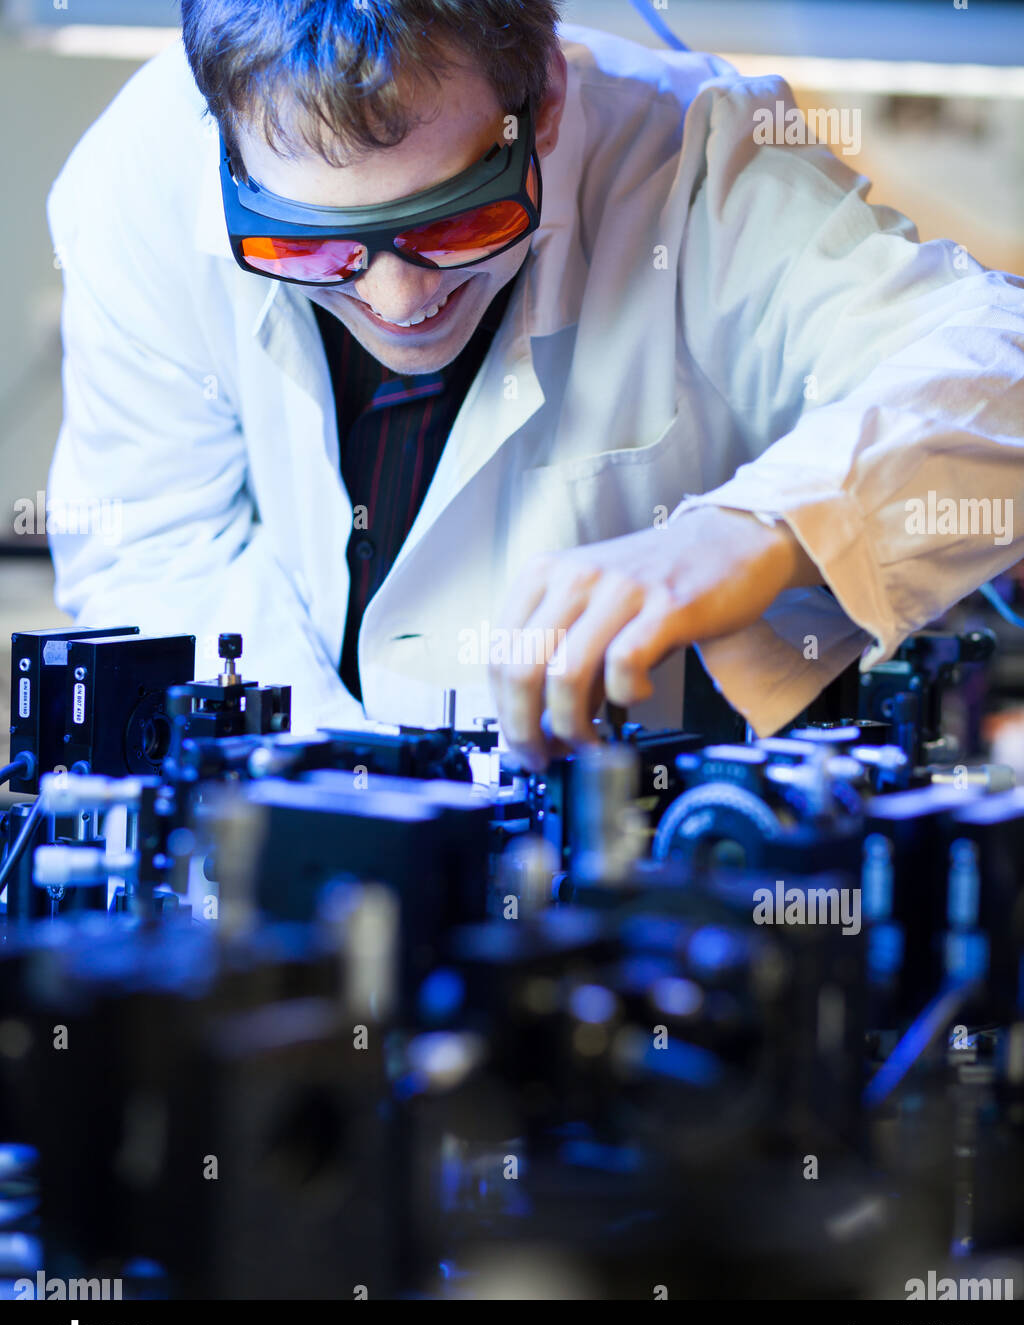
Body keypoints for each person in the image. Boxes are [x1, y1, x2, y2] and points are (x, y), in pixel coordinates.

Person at [46, 1, 1024, 771]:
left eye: (454, 223)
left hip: (639, 886)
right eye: (309, 243)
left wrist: (749, 530)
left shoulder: (692, 166)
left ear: (543, 103)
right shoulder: (144, 178)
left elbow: (994, 363)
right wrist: (348, 788)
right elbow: (158, 547)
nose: (397, 297)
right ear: (225, 145)